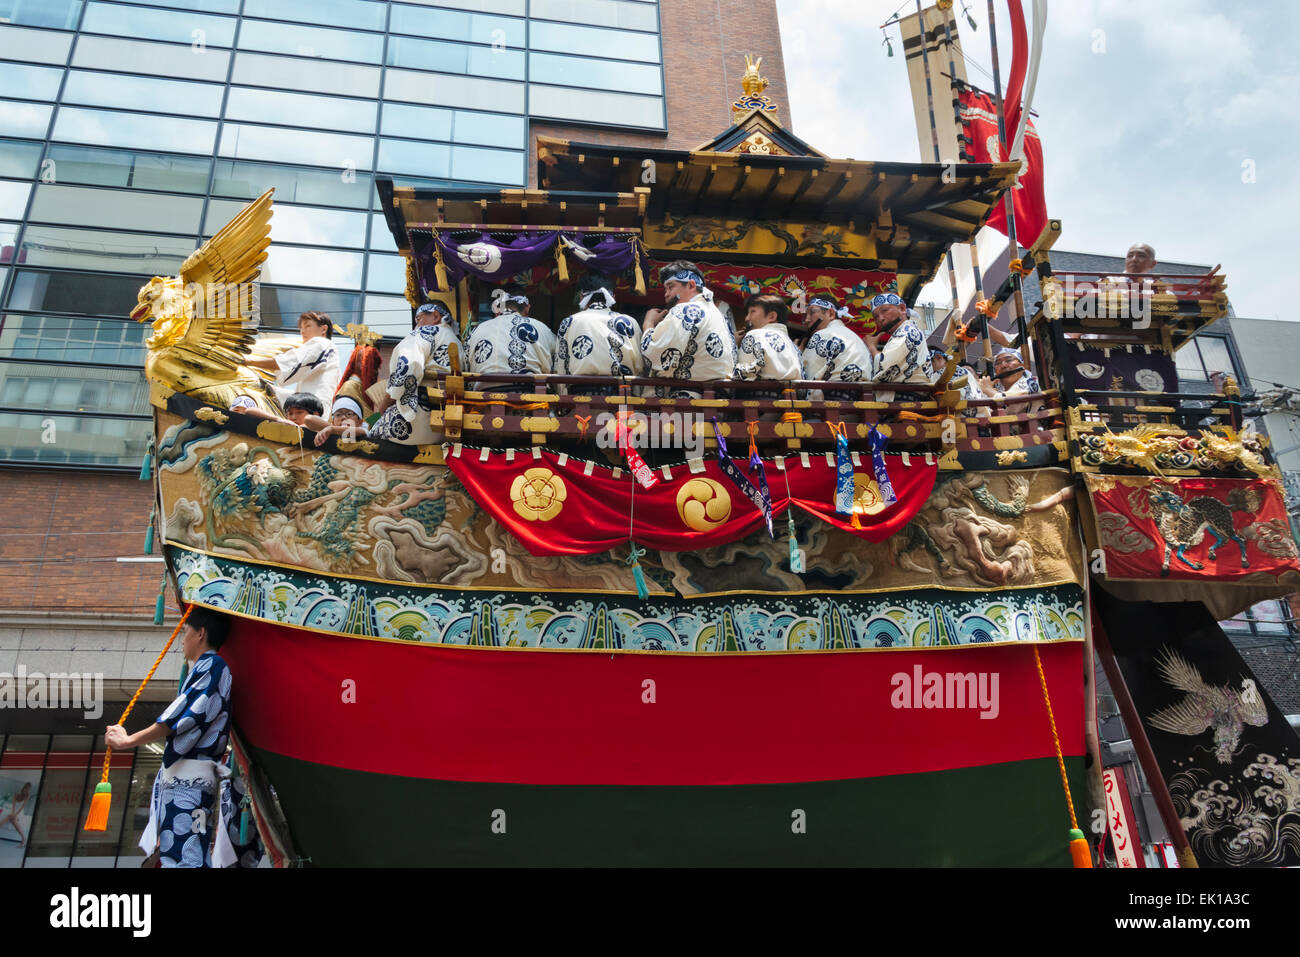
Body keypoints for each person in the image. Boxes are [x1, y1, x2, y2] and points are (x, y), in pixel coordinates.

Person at [105, 607, 249, 868]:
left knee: (186, 857)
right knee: (180, 854)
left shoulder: (214, 666)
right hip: (185, 780)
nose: (182, 639)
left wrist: (128, 740)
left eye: (185, 631)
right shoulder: (206, 668)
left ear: (200, 633)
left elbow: (178, 718)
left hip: (189, 782)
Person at [640, 260, 736, 398]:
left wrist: (648, 324)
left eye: (670, 287)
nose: (666, 294)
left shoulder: (685, 309)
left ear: (691, 285)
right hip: (717, 399)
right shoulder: (717, 314)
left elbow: (659, 358)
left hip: (688, 400)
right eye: (665, 289)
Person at [370, 302, 462, 444]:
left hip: (414, 422)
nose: (416, 326)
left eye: (418, 319)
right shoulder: (458, 344)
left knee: (366, 437)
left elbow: (408, 367)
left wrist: (384, 404)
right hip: (449, 427)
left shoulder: (426, 333)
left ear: (436, 316)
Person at [554, 273, 642, 394]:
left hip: (580, 397)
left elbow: (561, 366)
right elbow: (639, 366)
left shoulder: (570, 322)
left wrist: (562, 399)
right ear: (613, 297)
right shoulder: (628, 322)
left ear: (581, 296)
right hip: (622, 396)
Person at [246, 311, 340, 412]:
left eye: (307, 326)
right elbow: (296, 394)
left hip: (312, 410)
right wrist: (272, 390)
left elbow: (287, 362)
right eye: (301, 328)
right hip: (317, 410)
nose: (302, 331)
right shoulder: (331, 357)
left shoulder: (321, 343)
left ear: (323, 329)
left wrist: (248, 361)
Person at [865, 292, 941, 400]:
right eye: (876, 316)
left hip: (906, 399)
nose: (880, 318)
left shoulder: (908, 332)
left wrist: (872, 348)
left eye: (885, 310)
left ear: (902, 309)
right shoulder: (904, 332)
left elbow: (885, 368)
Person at [466, 288, 554, 378]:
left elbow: (466, 366)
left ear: (498, 310)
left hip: (482, 390)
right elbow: (556, 361)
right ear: (527, 308)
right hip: (530, 390)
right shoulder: (541, 328)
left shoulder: (477, 330)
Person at [799, 294, 873, 401]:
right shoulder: (855, 337)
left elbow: (807, 376)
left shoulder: (823, 334)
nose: (807, 319)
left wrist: (798, 352)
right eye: (806, 315)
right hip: (861, 403)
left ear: (831, 313)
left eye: (812, 312)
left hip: (832, 404)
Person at [736, 293, 803, 399]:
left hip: (760, 403)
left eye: (752, 312)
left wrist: (734, 346)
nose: (747, 318)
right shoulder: (792, 345)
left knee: (702, 415)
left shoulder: (755, 334)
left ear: (772, 316)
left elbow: (743, 374)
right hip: (790, 404)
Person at [313, 382, 369, 447]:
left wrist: (332, 429)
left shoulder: (363, 431)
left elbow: (356, 431)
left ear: (360, 422)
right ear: (333, 422)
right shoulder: (328, 432)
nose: (343, 417)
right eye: (338, 415)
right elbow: (308, 419)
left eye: (349, 414)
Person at [0, 781, 31, 845]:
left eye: (27, 789)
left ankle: (23, 839)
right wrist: (13, 813)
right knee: (12, 819)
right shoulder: (16, 794)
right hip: (13, 810)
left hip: (19, 812)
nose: (25, 790)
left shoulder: (27, 797)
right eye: (25, 788)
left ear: (28, 790)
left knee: (12, 819)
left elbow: (22, 807)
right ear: (23, 788)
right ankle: (23, 839)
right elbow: (13, 805)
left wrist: (16, 815)